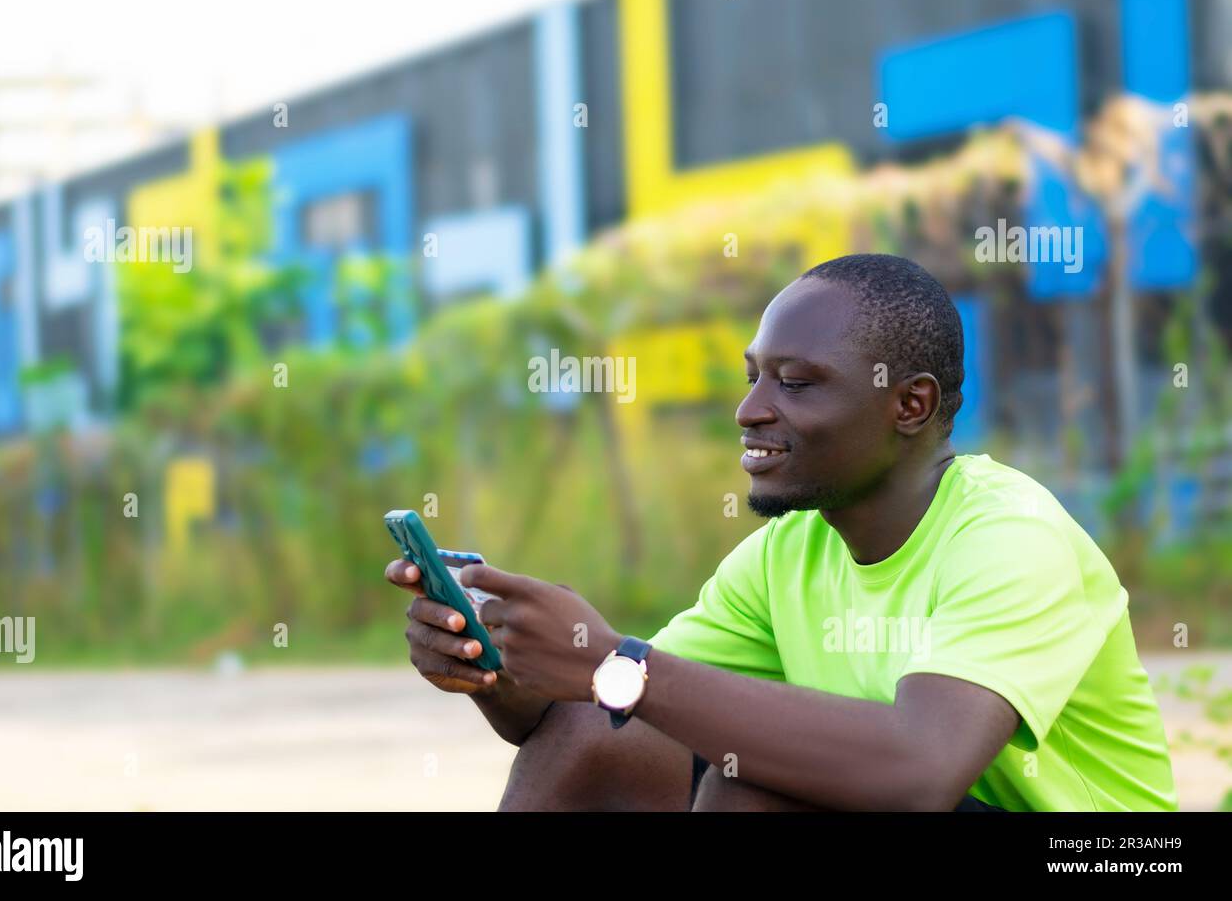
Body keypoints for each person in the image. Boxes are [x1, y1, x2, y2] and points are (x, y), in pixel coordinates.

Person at [387, 253, 1178, 811]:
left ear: (909, 405)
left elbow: (921, 770)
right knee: (599, 742)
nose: (750, 409)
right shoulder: (786, 554)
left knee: (757, 788)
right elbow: (606, 712)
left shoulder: (1009, 537)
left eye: (796, 383)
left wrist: (610, 658)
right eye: (754, 375)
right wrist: (496, 670)